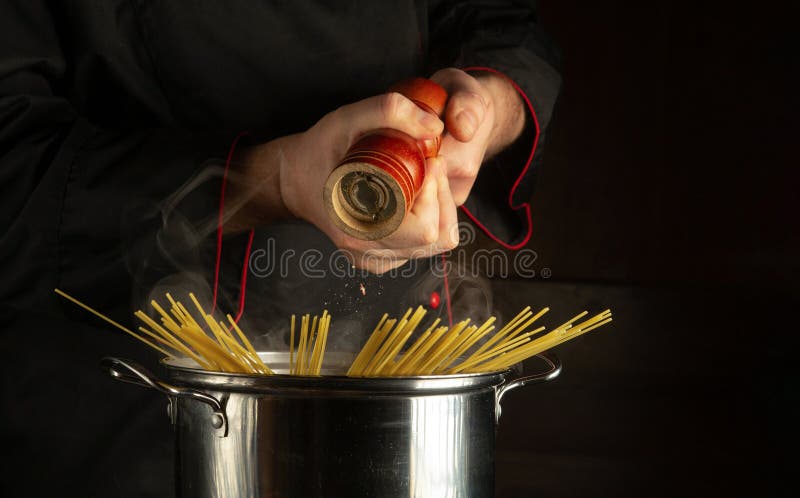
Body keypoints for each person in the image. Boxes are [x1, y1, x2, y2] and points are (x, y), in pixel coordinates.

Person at [0, 1, 560, 496]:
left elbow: (500, 23)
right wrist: (274, 179)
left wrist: (488, 108)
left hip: (403, 390)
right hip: (130, 406)